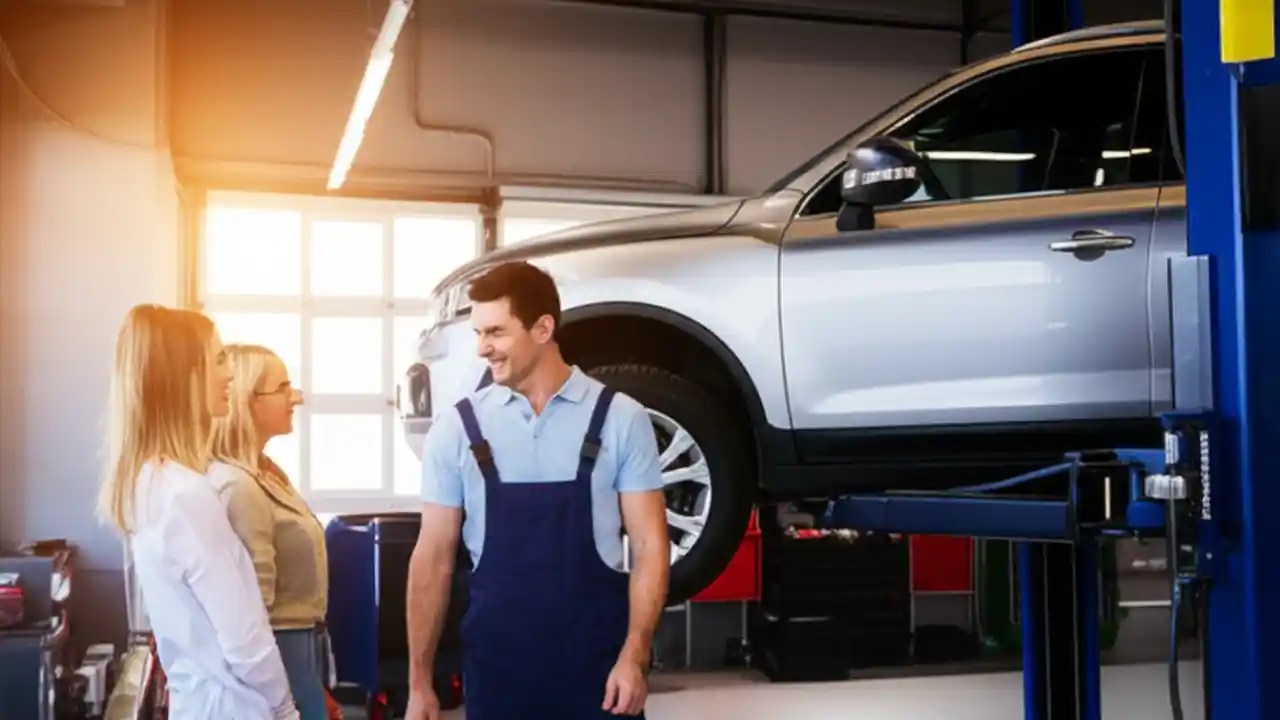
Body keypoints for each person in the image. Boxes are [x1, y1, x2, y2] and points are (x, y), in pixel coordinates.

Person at [405, 261, 671, 719]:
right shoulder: (457, 429)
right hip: (498, 678)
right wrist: (419, 683)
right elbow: (432, 558)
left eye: (496, 332)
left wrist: (635, 656)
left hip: (600, 678)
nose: (483, 348)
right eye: (478, 333)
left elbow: (650, 547)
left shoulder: (619, 419)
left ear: (543, 328)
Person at [96, 304, 300, 720]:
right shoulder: (187, 495)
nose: (229, 374)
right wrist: (284, 708)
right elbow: (244, 639)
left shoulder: (149, 482)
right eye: (219, 358)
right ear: (185, 376)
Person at [211, 344, 332, 720]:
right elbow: (252, 613)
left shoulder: (268, 474)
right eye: (282, 387)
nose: (296, 397)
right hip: (275, 664)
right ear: (248, 401)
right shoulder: (239, 486)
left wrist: (317, 686)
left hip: (302, 658)